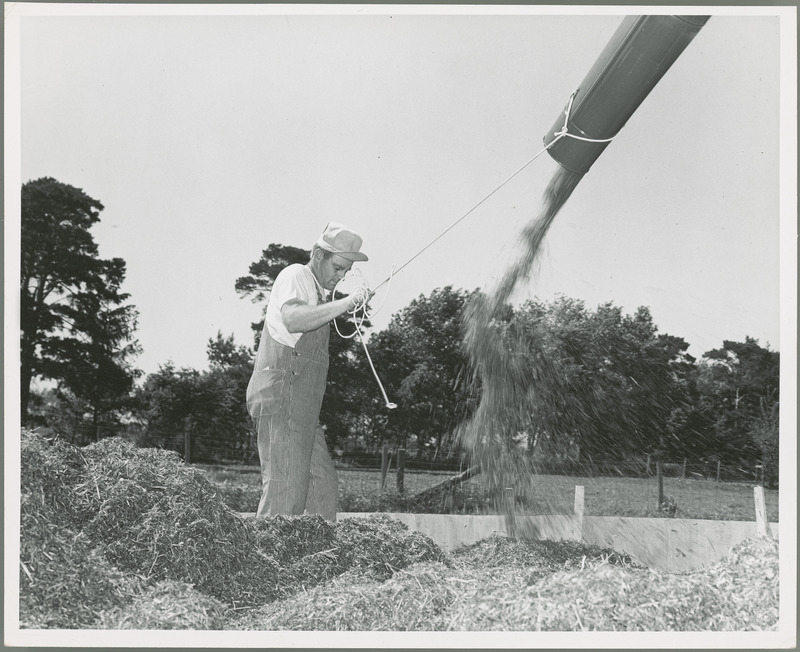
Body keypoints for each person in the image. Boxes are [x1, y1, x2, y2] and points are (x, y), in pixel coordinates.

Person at [246, 222, 370, 521]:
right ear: (318, 255)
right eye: (338, 267)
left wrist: (342, 304)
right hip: (281, 396)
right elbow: (294, 318)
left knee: (322, 486)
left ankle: (315, 560)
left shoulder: (318, 293)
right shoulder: (296, 274)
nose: (340, 276)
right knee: (286, 488)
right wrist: (348, 302)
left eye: (346, 272)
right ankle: (265, 561)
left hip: (302, 409)